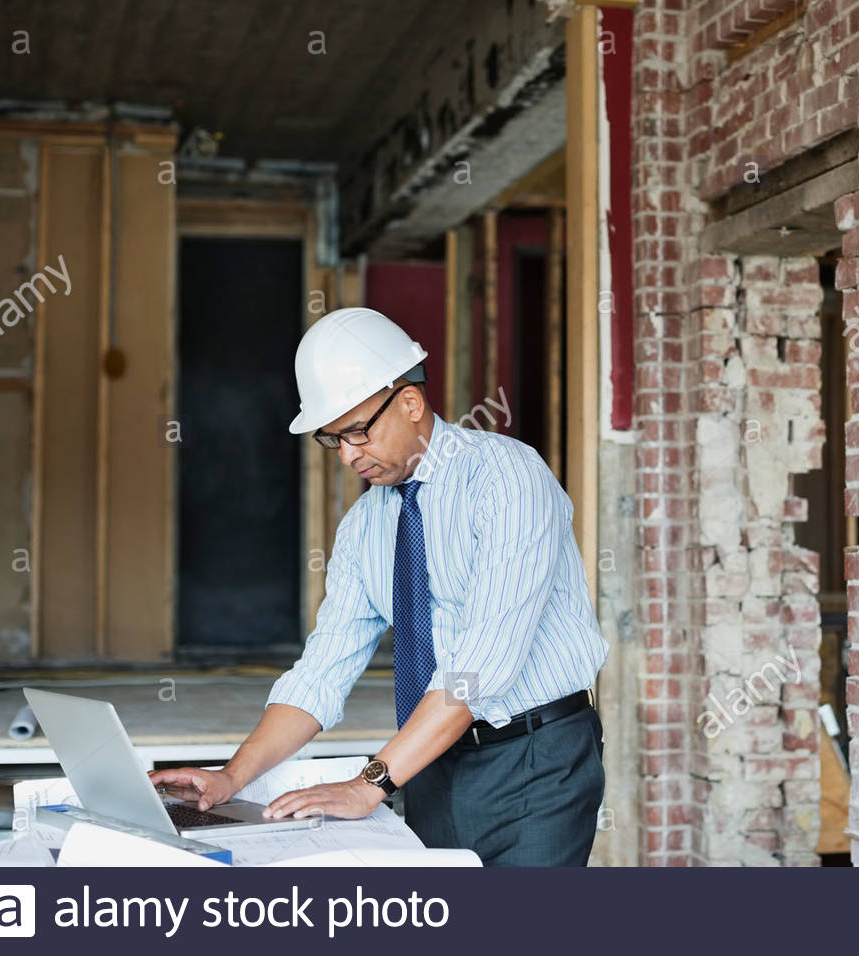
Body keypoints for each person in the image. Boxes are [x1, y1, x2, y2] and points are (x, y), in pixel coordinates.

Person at [150, 307, 609, 866]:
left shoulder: (507, 480)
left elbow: (480, 666)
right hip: (429, 762)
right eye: (333, 440)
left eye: (358, 431)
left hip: (536, 762)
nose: (347, 455)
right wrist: (232, 776)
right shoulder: (365, 526)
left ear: (411, 403)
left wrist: (369, 784)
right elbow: (322, 671)